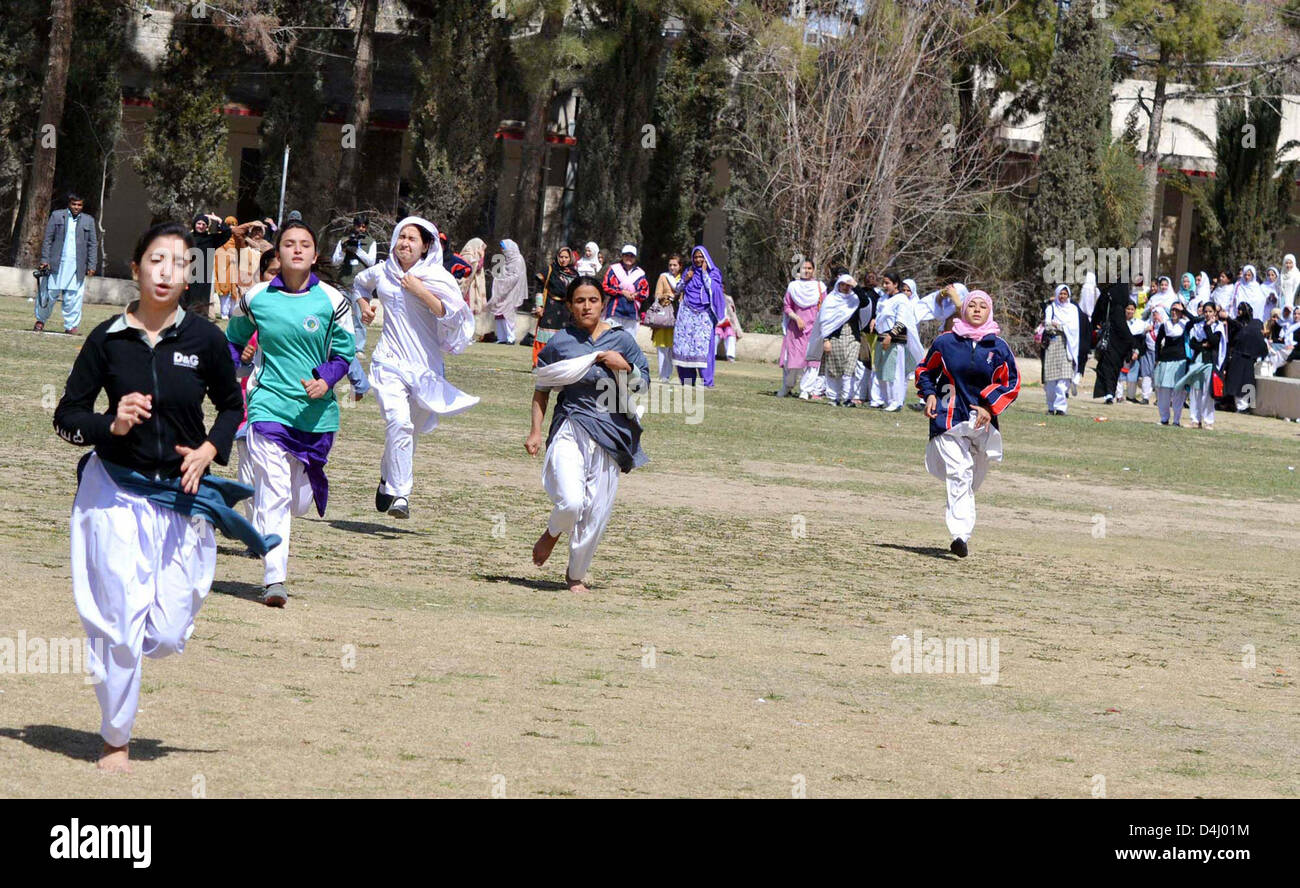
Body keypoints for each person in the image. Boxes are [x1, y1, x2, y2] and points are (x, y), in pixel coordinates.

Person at [53, 221, 273, 773]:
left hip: (181, 497)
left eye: (178, 263)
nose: (166, 271)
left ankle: (134, 660)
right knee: (118, 621)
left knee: (169, 632)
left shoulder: (205, 340)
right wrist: (112, 424)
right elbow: (67, 417)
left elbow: (232, 406)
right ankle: (115, 742)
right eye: (156, 260)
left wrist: (209, 449)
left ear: (188, 276)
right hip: (114, 496)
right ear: (136, 268)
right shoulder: (106, 339)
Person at [225, 220, 356, 607]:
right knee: (276, 494)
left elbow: (344, 354)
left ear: (315, 256)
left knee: (297, 502)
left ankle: (308, 481)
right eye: (289, 244)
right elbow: (232, 340)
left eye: (304, 245)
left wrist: (326, 380)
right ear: (277, 254)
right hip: (267, 407)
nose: (296, 249)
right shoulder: (256, 297)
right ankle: (274, 580)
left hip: (315, 416)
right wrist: (231, 370)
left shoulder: (333, 301)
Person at [527, 275, 649, 593]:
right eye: (579, 300)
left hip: (611, 435)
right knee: (571, 502)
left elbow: (644, 383)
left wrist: (624, 366)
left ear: (603, 304)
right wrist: (536, 432)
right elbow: (543, 387)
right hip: (572, 425)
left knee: (595, 513)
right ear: (569, 305)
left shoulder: (622, 340)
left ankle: (576, 576)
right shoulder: (560, 343)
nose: (586, 306)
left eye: (593, 300)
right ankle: (552, 534)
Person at [352, 217, 479, 519]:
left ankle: (387, 477)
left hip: (426, 369)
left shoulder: (437, 277)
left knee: (410, 430)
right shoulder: (383, 271)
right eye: (402, 237)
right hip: (388, 361)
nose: (405, 244)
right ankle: (401, 495)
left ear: (425, 247)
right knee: (399, 422)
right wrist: (363, 305)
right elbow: (359, 282)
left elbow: (454, 316)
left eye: (413, 239)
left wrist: (421, 291)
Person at [916, 290, 1020, 558]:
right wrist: (928, 394)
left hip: (980, 422)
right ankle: (960, 535)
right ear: (962, 311)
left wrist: (989, 405)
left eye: (982, 306)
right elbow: (925, 370)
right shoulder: (946, 342)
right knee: (960, 472)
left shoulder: (998, 347)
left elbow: (1012, 383)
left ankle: (961, 524)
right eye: (971, 305)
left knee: (972, 478)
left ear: (990, 312)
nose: (976, 309)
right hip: (947, 418)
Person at [35, 193, 97, 334]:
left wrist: (92, 265)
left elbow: (93, 244)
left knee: (73, 297)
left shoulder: (89, 220)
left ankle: (71, 326)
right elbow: (48, 240)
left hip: (77, 266)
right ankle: (40, 321)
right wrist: (45, 260)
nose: (76, 207)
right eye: (74, 204)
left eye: (79, 205)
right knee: (48, 294)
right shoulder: (57, 216)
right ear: (69, 204)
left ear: (82, 205)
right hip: (56, 263)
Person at [673, 246, 727, 387]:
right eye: (695, 257)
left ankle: (707, 381)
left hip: (704, 315)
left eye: (700, 256)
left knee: (703, 348)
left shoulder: (713, 272)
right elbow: (677, 290)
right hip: (686, 313)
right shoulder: (688, 271)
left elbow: (714, 290)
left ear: (706, 257)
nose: (698, 259)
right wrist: (685, 279)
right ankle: (687, 380)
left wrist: (704, 273)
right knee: (684, 346)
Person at [1040, 284, 1088, 415]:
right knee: (1050, 380)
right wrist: (1057, 326)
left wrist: (1059, 326)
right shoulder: (1051, 308)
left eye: (1065, 294)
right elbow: (1048, 325)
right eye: (1060, 294)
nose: (1062, 297)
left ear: (1069, 295)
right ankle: (1051, 407)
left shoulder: (1073, 309)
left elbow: (1073, 328)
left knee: (1064, 379)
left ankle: (1061, 407)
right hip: (1052, 346)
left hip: (1068, 346)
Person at [778, 260, 824, 397]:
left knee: (812, 360)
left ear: (814, 270)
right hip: (796, 329)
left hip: (814, 329)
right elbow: (787, 306)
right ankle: (787, 386)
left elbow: (825, 307)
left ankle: (806, 389)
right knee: (791, 360)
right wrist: (797, 318)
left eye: (810, 268)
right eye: (804, 268)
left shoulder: (820, 287)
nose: (807, 271)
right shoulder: (793, 287)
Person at [1180, 301, 1226, 429]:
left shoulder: (1218, 326)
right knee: (1195, 390)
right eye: (1205, 311)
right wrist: (1203, 345)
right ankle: (1195, 419)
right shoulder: (1198, 326)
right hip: (1198, 360)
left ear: (1215, 313)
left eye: (1210, 311)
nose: (1207, 314)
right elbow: (1193, 343)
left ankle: (1208, 420)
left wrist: (1208, 328)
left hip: (1210, 362)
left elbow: (1214, 342)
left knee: (1207, 392)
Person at [819, 274, 862, 406]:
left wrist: (856, 286)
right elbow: (825, 321)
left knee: (849, 370)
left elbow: (865, 301)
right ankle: (834, 397)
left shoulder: (855, 299)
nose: (845, 287)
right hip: (835, 339)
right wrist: (826, 340)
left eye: (848, 285)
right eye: (843, 284)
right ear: (838, 285)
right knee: (834, 370)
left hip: (853, 339)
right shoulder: (831, 300)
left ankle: (847, 398)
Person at [1091, 283, 1135, 404]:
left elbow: (1096, 316)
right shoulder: (1119, 311)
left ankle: (1108, 393)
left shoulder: (1107, 297)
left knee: (1106, 368)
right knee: (1113, 369)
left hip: (1109, 341)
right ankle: (1110, 393)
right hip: (1117, 345)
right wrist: (1132, 345)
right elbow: (1125, 332)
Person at [534, 245, 578, 367]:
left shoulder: (575, 274)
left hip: (566, 309)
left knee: (563, 337)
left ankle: (559, 364)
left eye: (566, 257)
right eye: (561, 257)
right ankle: (538, 363)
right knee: (544, 336)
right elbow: (539, 287)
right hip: (550, 306)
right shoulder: (549, 270)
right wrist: (539, 305)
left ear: (570, 258)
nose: (563, 260)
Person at [873, 272, 910, 411]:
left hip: (894, 340)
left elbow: (901, 320)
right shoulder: (885, 299)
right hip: (881, 337)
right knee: (882, 371)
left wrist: (890, 336)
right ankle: (887, 400)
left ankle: (896, 401)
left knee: (894, 372)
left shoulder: (901, 299)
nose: (885, 286)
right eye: (884, 283)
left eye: (888, 283)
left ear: (895, 284)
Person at [1224, 302, 1270, 413]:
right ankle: (1241, 407)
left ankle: (1239, 406)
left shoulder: (1244, 330)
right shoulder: (1253, 332)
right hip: (1245, 360)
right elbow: (1264, 351)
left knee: (1239, 383)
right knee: (1245, 384)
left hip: (1238, 358)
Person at [185, 213, 232, 318]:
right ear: (194, 224)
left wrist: (219, 220)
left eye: (203, 224)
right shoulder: (187, 238)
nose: (201, 226)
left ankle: (200, 322)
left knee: (201, 301)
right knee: (187, 300)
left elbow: (227, 234)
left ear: (207, 227)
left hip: (203, 275)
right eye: (199, 223)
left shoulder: (212, 239)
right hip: (188, 274)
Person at [1152, 300, 1189, 426]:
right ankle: (1164, 418)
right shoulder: (1165, 325)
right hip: (1165, 360)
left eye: (1177, 310)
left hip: (1180, 361)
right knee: (1163, 392)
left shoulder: (1186, 325)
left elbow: (1196, 320)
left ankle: (1176, 420)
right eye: (1173, 309)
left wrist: (1184, 311)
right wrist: (1157, 358)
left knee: (1179, 392)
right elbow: (1158, 343)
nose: (1174, 312)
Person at [601, 244, 650, 340]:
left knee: (629, 340)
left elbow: (645, 292)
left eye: (632, 256)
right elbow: (605, 286)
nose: (629, 258)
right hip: (615, 310)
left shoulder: (640, 273)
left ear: (635, 258)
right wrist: (622, 292)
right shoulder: (614, 269)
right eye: (626, 255)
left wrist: (635, 294)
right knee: (610, 339)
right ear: (622, 256)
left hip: (631, 311)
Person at [487, 239, 528, 344]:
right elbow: (503, 273)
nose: (502, 250)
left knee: (508, 314)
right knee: (499, 313)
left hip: (513, 291)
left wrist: (502, 282)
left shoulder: (518, 260)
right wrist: (499, 280)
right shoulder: (506, 260)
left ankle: (511, 338)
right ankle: (502, 338)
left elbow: (516, 276)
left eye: (503, 248)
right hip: (503, 291)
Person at [648, 254, 681, 381]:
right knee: (662, 346)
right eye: (670, 265)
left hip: (677, 314)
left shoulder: (683, 279)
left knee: (673, 347)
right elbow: (657, 294)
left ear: (680, 266)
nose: (672, 267)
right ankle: (663, 375)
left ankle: (669, 373)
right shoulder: (663, 277)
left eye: (675, 265)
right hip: (664, 314)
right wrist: (667, 296)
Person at [1121, 300, 1153, 403]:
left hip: (1135, 352)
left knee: (1133, 376)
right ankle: (1119, 396)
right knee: (1120, 376)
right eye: (1128, 309)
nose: (1130, 311)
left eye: (1132, 309)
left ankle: (1130, 396)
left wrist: (1137, 352)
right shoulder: (1120, 322)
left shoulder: (1139, 323)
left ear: (1135, 310)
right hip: (1121, 352)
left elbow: (1141, 338)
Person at [213, 216, 241, 320]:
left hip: (234, 264)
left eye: (233, 224)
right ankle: (224, 312)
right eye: (229, 224)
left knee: (234, 287)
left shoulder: (239, 237)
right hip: (221, 263)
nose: (231, 227)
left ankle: (231, 312)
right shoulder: (220, 237)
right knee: (223, 286)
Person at [717, 291, 743, 361]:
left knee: (730, 333)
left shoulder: (729, 299)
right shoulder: (713, 298)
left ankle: (730, 356)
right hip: (717, 324)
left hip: (729, 323)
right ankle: (711, 355)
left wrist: (736, 328)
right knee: (716, 334)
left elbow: (733, 314)